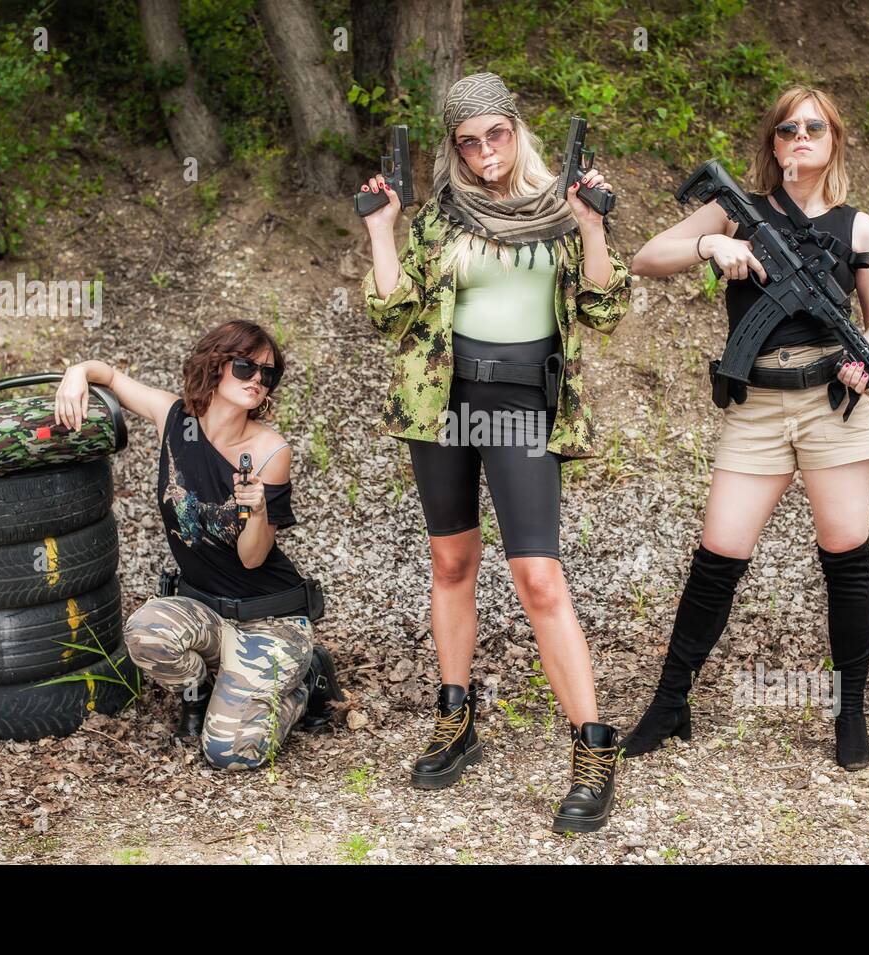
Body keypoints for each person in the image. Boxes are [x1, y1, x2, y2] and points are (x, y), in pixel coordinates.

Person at [358, 72, 632, 832]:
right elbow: (394, 314)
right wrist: (383, 231)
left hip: (519, 404)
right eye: (468, 140)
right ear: (453, 146)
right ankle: (457, 716)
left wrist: (594, 227)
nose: (484, 151)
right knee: (452, 561)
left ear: (517, 129)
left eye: (496, 134)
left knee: (538, 575)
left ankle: (593, 744)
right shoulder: (440, 219)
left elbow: (605, 307)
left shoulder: (560, 207)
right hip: (443, 401)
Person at [623, 85, 869, 771]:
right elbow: (646, 257)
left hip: (834, 399)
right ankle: (669, 704)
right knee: (719, 554)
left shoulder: (858, 227)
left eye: (814, 126)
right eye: (787, 129)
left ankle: (850, 710)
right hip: (757, 403)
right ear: (773, 144)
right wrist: (712, 242)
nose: (800, 137)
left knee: (846, 557)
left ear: (833, 137)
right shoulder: (735, 210)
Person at [53, 320, 343, 771]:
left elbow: (252, 557)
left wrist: (258, 511)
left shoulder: (270, 451)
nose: (257, 381)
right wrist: (76, 372)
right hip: (204, 610)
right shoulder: (174, 420)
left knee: (230, 755)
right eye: (247, 367)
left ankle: (305, 684)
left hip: (269, 619)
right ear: (217, 363)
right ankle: (203, 695)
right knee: (146, 633)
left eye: (268, 374)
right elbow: (107, 375)